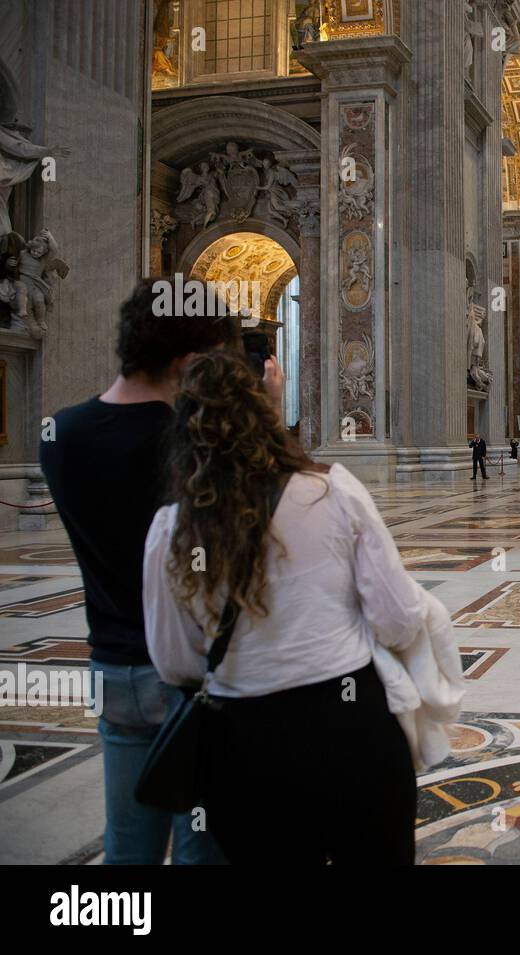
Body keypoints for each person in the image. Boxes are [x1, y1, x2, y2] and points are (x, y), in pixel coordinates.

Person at [143, 351, 464, 864]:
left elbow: (174, 661)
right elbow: (399, 619)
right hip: (350, 729)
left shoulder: (170, 530)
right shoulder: (332, 490)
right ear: (268, 414)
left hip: (242, 745)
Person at [40, 281, 241, 865]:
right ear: (191, 362)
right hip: (190, 675)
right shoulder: (191, 444)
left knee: (127, 846)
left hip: (112, 667)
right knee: (203, 848)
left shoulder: (61, 436)